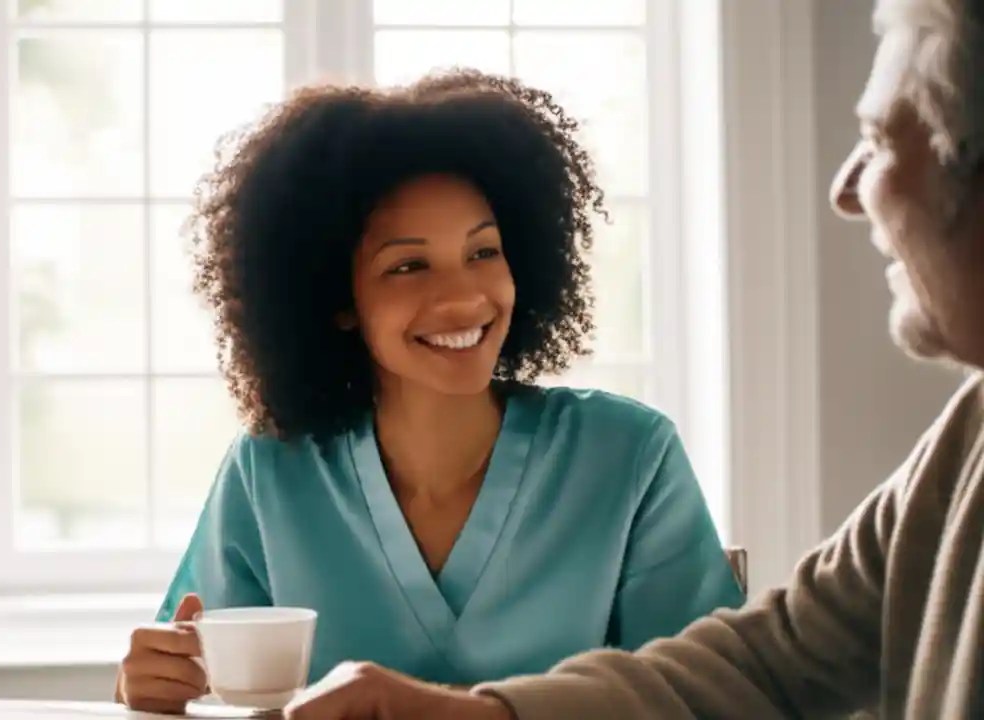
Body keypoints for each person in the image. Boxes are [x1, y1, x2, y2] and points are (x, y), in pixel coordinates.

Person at [279, 1, 984, 718]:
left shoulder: (628, 450)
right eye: (407, 266)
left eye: (878, 137)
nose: (844, 190)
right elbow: (767, 665)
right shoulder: (968, 440)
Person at [113, 70, 744, 715]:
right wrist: (151, 684)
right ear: (337, 300)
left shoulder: (628, 455)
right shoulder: (272, 469)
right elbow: (196, 675)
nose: (464, 297)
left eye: (484, 252)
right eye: (408, 266)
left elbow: (713, 697)